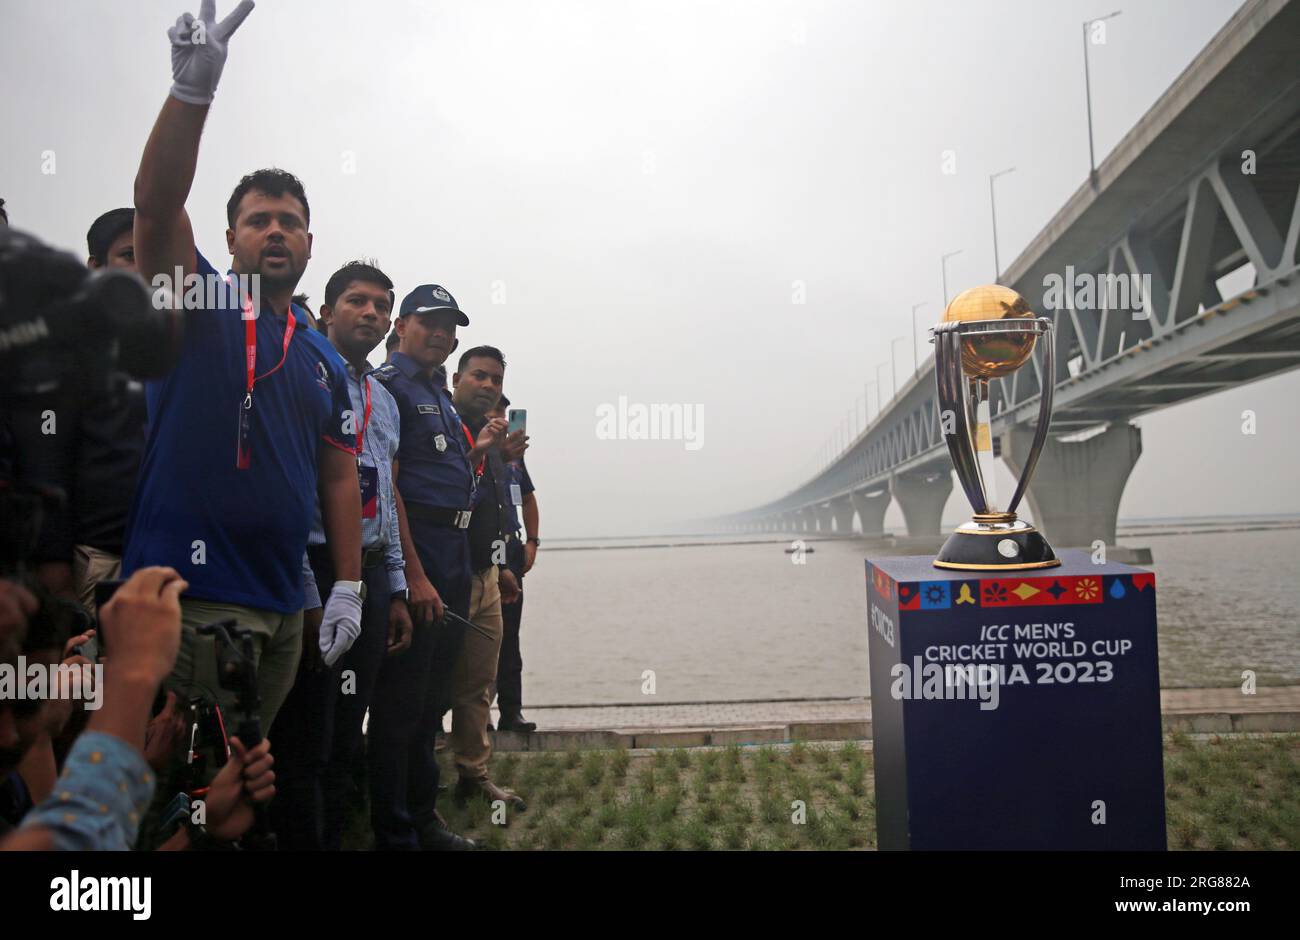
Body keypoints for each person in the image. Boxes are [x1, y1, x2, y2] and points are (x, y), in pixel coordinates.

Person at [123, 0, 363, 743]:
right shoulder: (193, 299)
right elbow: (157, 205)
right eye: (259, 219)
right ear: (230, 238)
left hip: (282, 605)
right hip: (182, 598)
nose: (275, 231)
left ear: (310, 243)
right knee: (170, 791)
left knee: (245, 792)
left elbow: (337, 476)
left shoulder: (326, 356)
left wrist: (348, 584)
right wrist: (192, 94)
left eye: (289, 220)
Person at [365, 283, 497, 850]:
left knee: (431, 703)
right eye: (430, 322)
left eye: (450, 327)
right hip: (417, 557)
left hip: (451, 560)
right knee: (401, 706)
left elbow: (443, 475)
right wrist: (412, 578)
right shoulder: (388, 387)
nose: (442, 334)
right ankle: (394, 830)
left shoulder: (438, 393)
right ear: (401, 324)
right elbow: (390, 487)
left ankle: (422, 817)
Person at [16, 208, 148, 617]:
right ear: (96, 268)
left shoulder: (177, 346)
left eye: (150, 252)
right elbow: (43, 465)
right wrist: (56, 571)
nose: (142, 265)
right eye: (128, 254)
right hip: (101, 562)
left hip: (174, 563)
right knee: (98, 681)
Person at [447, 347, 527, 809]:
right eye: (478, 375)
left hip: (487, 577)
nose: (488, 385)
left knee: (479, 683)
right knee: (428, 688)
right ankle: (408, 778)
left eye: (495, 379)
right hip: (444, 577)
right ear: (457, 378)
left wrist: (503, 569)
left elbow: (495, 512)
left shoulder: (493, 441)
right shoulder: (445, 427)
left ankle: (473, 775)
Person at [488, 395, 540, 733]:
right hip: (480, 553)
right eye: (496, 416)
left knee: (510, 638)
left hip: (512, 551)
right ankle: (477, 716)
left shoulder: (514, 460)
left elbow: (528, 497)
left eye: (506, 417)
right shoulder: (473, 454)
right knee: (478, 639)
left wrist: (533, 541)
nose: (502, 423)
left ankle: (511, 712)